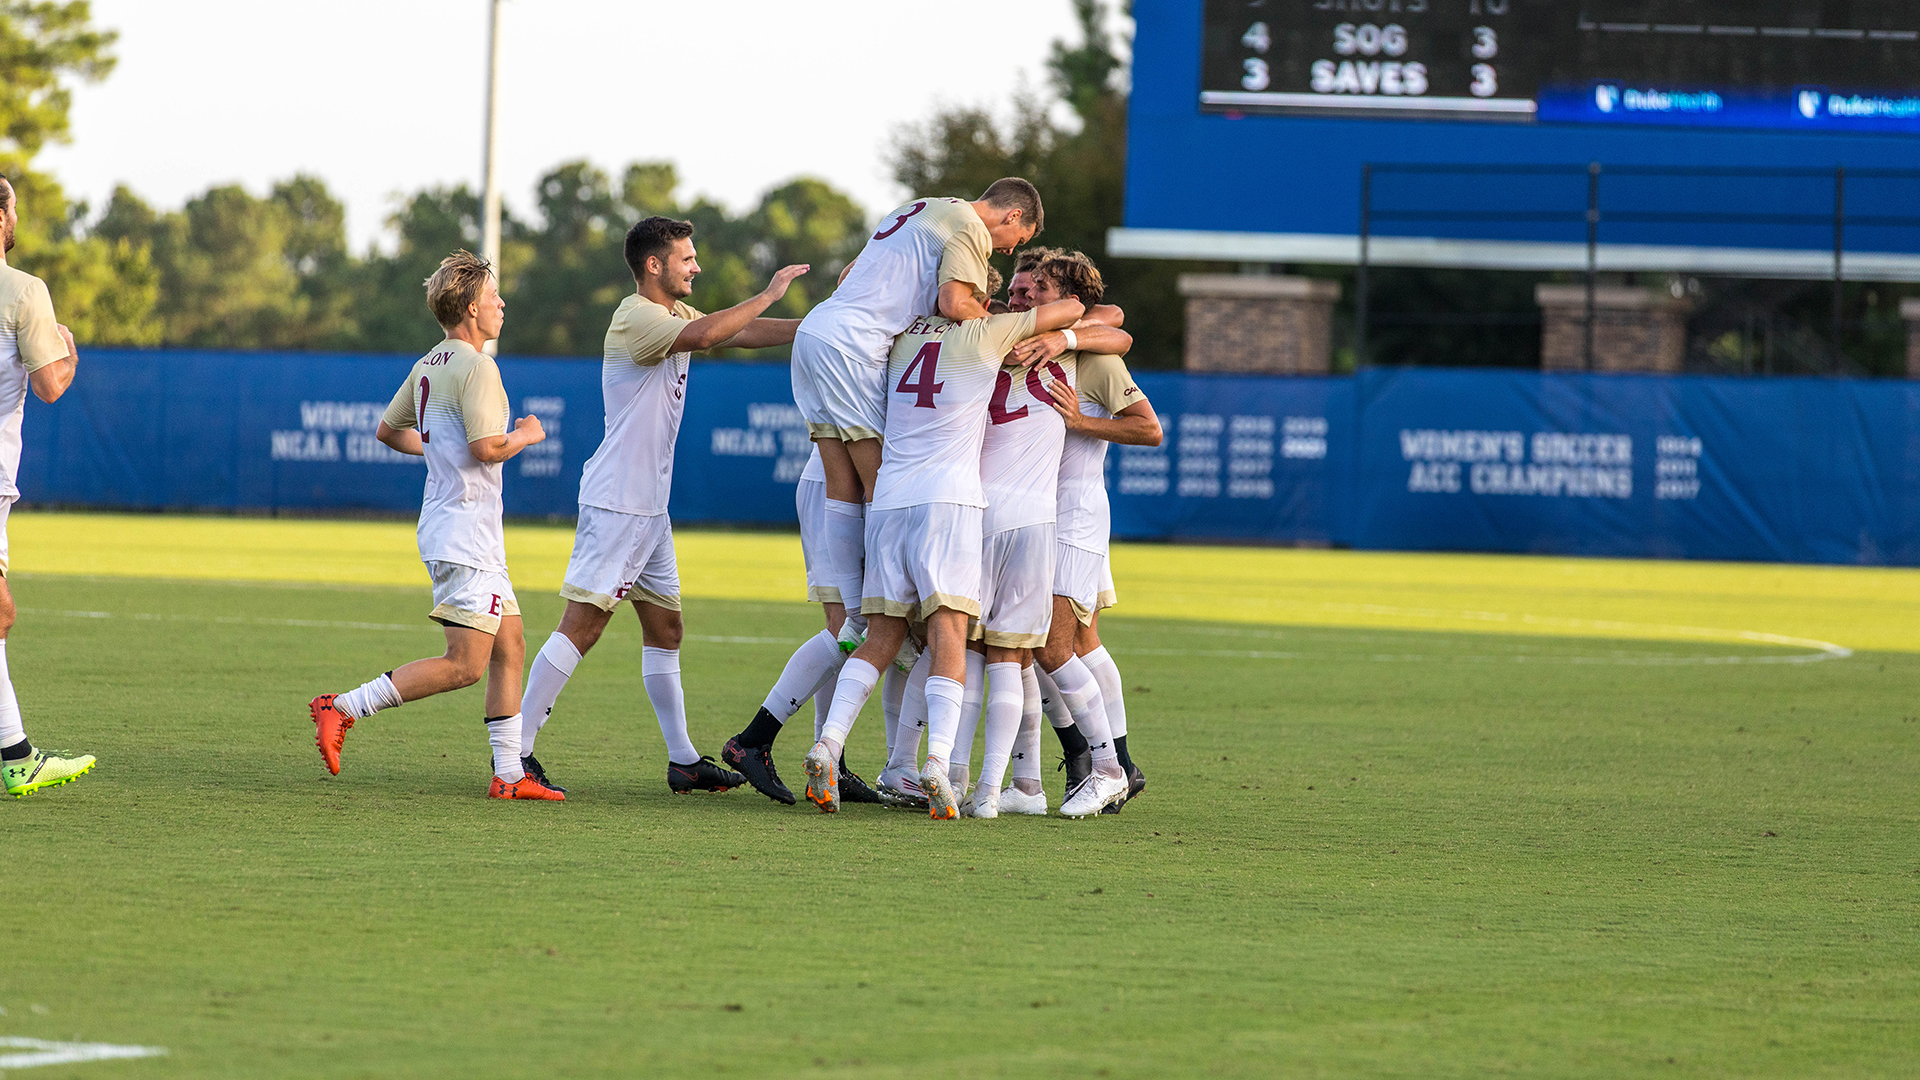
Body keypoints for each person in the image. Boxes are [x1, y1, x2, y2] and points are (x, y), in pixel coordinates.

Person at [516, 217, 808, 795]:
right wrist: (768, 291)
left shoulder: (674, 314)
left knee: (666, 626)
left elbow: (737, 333)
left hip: (649, 508)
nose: (696, 266)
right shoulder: (636, 316)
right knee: (584, 625)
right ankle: (514, 753)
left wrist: (816, 324)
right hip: (620, 502)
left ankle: (683, 761)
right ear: (655, 265)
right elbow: (707, 338)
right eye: (687, 257)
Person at [802, 292, 1087, 818]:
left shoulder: (900, 335)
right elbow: (1071, 307)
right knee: (949, 635)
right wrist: (1055, 331)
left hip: (888, 497)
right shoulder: (985, 333)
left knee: (883, 636)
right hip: (949, 502)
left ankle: (829, 743)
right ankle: (936, 763)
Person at [308, 251, 558, 799]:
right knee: (466, 665)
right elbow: (487, 447)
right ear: (472, 307)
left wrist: (439, 451)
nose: (502, 304)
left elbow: (387, 430)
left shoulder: (430, 362)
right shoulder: (479, 365)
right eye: (494, 296)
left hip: (462, 530)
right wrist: (529, 435)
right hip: (465, 534)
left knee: (510, 645)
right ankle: (342, 707)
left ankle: (510, 776)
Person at [789, 180, 1040, 653]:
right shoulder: (970, 225)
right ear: (1012, 217)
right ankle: (871, 616)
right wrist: (995, 327)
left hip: (816, 331)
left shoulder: (921, 207)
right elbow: (953, 303)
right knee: (881, 482)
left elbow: (848, 275)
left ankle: (853, 612)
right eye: (1018, 241)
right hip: (855, 348)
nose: (1008, 252)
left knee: (840, 480)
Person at [1017, 253, 1161, 816]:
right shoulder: (1028, 345)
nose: (1026, 296)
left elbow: (1148, 429)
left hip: (1073, 516)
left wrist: (1081, 422)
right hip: (1038, 515)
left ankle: (1105, 763)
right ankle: (1111, 762)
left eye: (1040, 288)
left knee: (1053, 645)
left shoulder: (1092, 356)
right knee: (1076, 643)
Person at [0, 174, 95, 799]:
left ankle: (15, 755)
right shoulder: (24, 292)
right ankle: (17, 758)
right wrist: (66, 350)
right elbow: (51, 385)